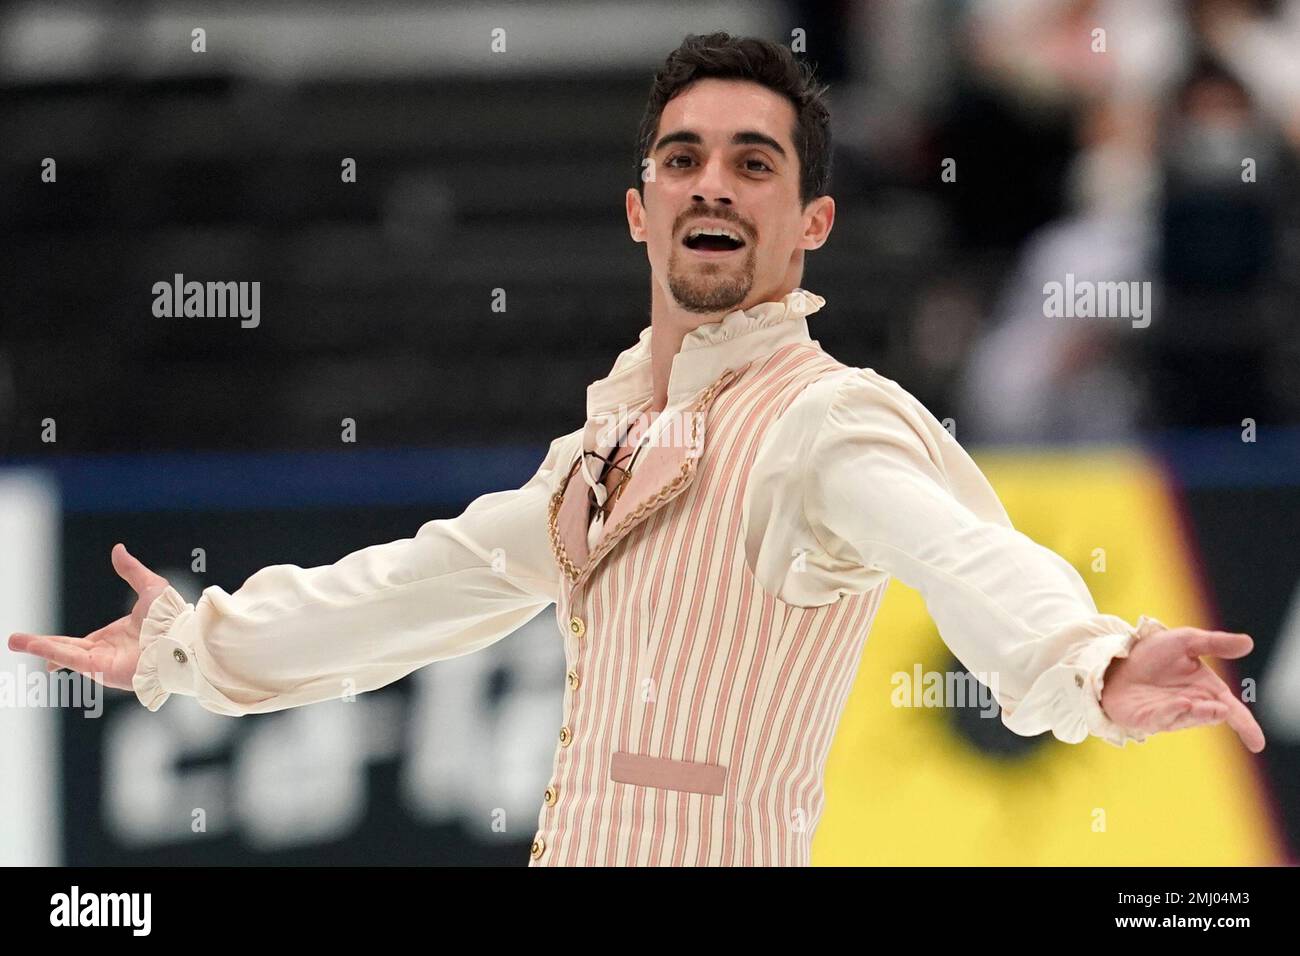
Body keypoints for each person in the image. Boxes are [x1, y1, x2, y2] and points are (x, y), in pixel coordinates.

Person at [8, 33, 1265, 867]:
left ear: (813, 219)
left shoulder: (824, 425)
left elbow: (962, 552)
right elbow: (407, 590)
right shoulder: (602, 451)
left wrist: (1091, 660)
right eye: (683, 159)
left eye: (753, 163)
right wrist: (188, 642)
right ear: (638, 207)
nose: (712, 184)